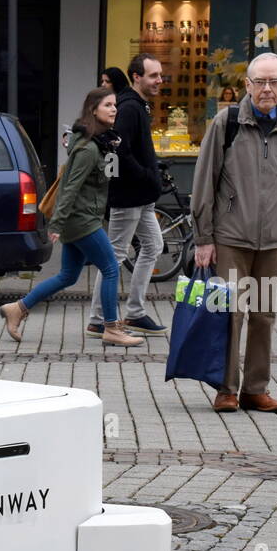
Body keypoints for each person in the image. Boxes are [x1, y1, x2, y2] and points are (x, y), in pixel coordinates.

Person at [191, 52, 277, 413]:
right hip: (231, 236)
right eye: (259, 82)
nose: (267, 89)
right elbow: (204, 181)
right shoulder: (226, 122)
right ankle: (226, 388)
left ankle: (255, 389)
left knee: (264, 315)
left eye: (274, 81)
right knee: (230, 312)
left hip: (276, 239)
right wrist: (204, 238)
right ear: (246, 85)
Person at [0, 88, 141, 347]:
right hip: (80, 219)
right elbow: (70, 187)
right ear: (93, 110)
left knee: (68, 276)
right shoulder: (87, 149)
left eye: (114, 105)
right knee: (110, 268)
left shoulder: (99, 141)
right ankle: (111, 328)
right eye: (108, 105)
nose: (114, 109)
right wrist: (58, 223)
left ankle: (17, 309)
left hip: (82, 217)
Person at [86, 53, 168, 340]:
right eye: (153, 75)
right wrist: (145, 175)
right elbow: (117, 147)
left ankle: (135, 312)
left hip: (141, 197)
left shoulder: (137, 106)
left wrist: (151, 173)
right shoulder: (130, 107)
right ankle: (98, 320)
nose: (159, 80)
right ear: (136, 77)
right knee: (115, 256)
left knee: (153, 246)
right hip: (128, 195)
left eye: (160, 75)